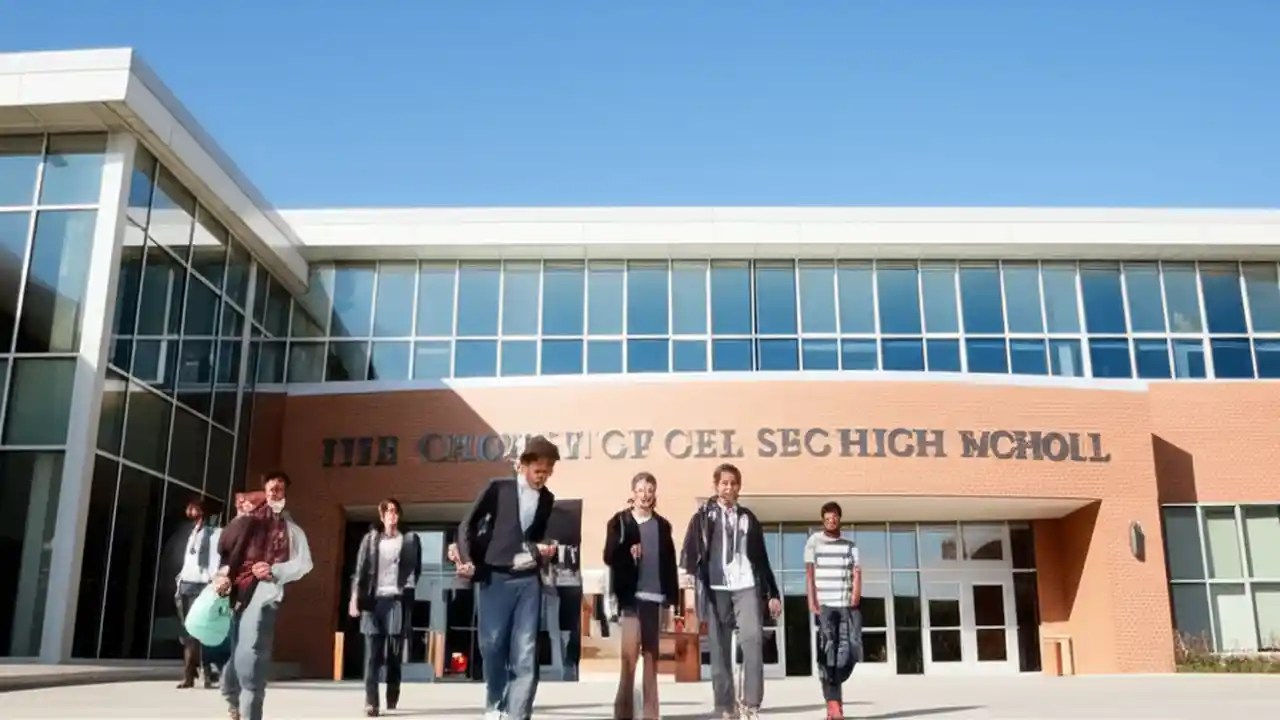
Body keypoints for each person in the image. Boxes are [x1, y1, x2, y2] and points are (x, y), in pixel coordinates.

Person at [455, 436, 560, 720]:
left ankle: (518, 713)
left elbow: (535, 537)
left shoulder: (547, 499)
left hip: (528, 580)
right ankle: (495, 703)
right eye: (539, 470)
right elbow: (467, 523)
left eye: (548, 471)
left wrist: (546, 547)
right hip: (496, 577)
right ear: (524, 465)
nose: (543, 476)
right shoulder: (499, 489)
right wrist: (466, 561)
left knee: (525, 649)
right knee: (492, 643)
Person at [680, 463, 781, 720]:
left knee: (753, 640)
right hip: (716, 588)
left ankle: (751, 703)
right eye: (724, 483)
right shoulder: (703, 516)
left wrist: (773, 593)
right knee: (719, 647)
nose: (729, 487)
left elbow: (762, 558)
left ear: (739, 487)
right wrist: (689, 579)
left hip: (746, 585)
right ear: (716, 485)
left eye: (733, 483)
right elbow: (690, 551)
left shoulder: (748, 518)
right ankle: (724, 705)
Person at [213, 471, 314, 720]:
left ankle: (250, 713)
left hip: (265, 595)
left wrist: (274, 570)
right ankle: (234, 700)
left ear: (285, 495)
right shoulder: (247, 522)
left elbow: (305, 563)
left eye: (279, 489)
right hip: (238, 592)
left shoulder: (291, 531)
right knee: (236, 656)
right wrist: (223, 576)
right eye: (270, 488)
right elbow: (227, 552)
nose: (273, 492)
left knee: (252, 655)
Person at [604, 472, 678, 720]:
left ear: (654, 494)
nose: (645, 494)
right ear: (633, 493)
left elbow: (669, 564)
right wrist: (627, 551)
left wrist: (671, 601)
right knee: (629, 658)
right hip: (631, 598)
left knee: (651, 658)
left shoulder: (663, 525)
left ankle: (650, 714)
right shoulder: (620, 521)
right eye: (641, 489)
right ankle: (623, 713)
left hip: (655, 598)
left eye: (650, 490)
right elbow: (609, 555)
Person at [348, 498, 423, 717]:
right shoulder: (370, 540)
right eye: (387, 511)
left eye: (394, 511)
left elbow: (415, 569)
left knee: (393, 653)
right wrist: (354, 599)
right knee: (372, 654)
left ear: (399, 515)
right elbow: (360, 571)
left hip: (396, 601)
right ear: (381, 516)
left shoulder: (409, 540)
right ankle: (371, 701)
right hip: (373, 602)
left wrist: (406, 589)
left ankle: (393, 691)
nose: (391, 515)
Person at [804, 502, 862, 720]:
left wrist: (856, 594)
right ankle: (834, 704)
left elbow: (857, 571)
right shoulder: (813, 542)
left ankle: (834, 694)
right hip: (826, 605)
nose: (831, 521)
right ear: (823, 520)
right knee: (828, 653)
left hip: (847, 604)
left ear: (839, 518)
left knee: (852, 649)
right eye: (827, 519)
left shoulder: (850, 545)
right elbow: (809, 574)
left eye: (834, 518)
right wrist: (812, 601)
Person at [173, 499, 222, 689]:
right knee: (188, 634)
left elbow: (217, 560)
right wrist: (180, 578)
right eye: (189, 508)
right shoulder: (191, 532)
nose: (190, 512)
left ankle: (208, 674)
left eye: (195, 509)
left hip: (204, 585)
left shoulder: (216, 533)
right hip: (186, 584)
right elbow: (189, 559)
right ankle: (189, 675)